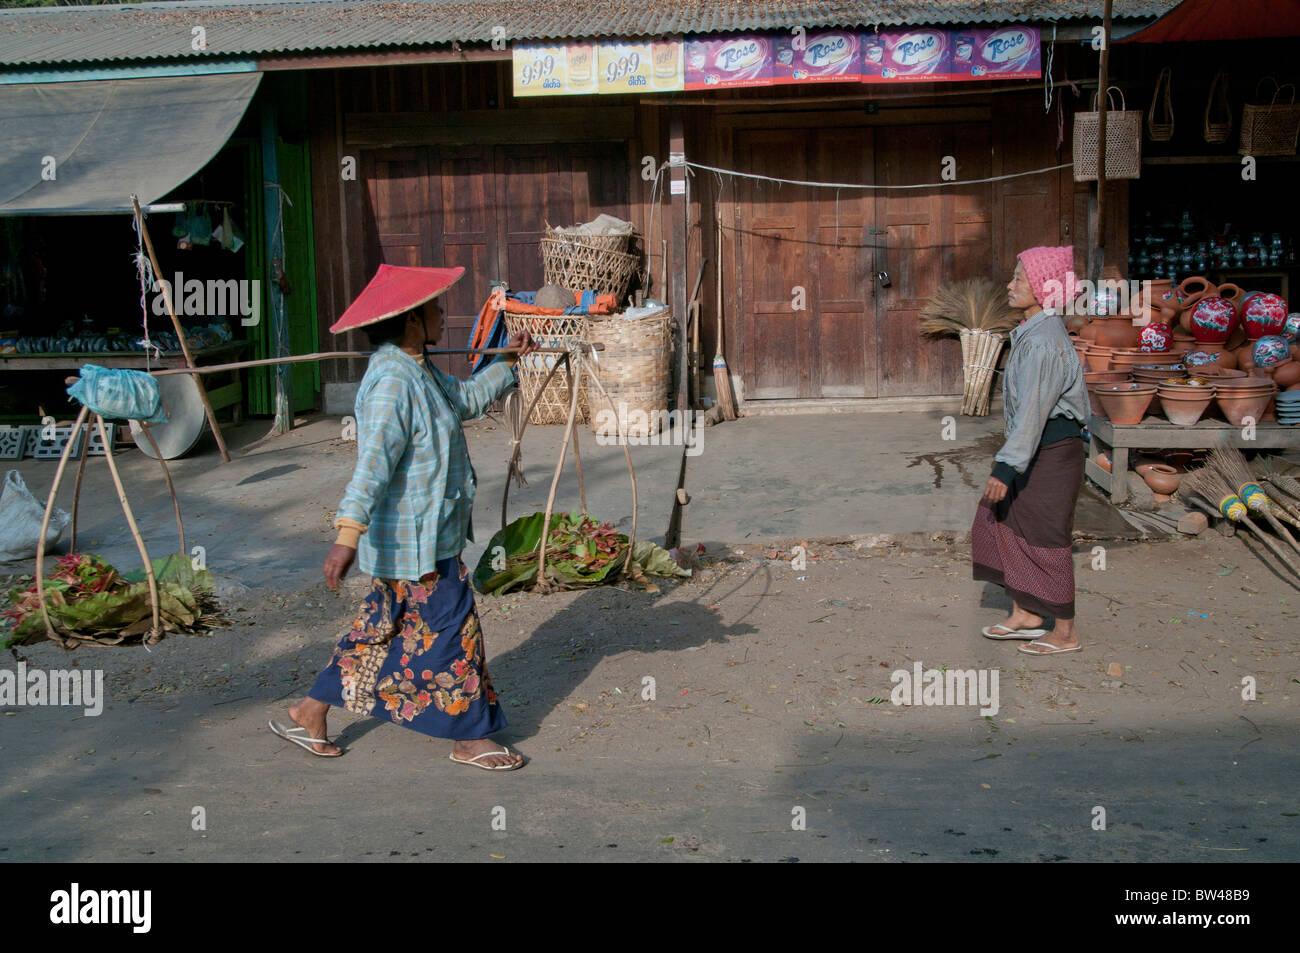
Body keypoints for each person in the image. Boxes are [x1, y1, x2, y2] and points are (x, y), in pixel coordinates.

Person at [270, 264, 536, 769]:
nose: (441, 314)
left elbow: (463, 400)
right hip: (416, 544)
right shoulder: (393, 380)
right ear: (413, 319)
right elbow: (371, 466)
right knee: (455, 628)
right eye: (434, 308)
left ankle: (310, 709)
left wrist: (505, 362)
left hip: (422, 538)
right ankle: (469, 736)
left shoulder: (418, 367)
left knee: (378, 629)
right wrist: (347, 535)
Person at [972, 246, 1089, 656]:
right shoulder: (1032, 330)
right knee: (1001, 521)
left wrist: (1005, 468)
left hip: (1052, 452)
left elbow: (1035, 415)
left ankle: (1066, 633)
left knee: (1044, 538)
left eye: (1019, 278)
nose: (1010, 284)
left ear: (1042, 287)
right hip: (1031, 448)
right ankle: (1026, 614)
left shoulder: (1043, 342)